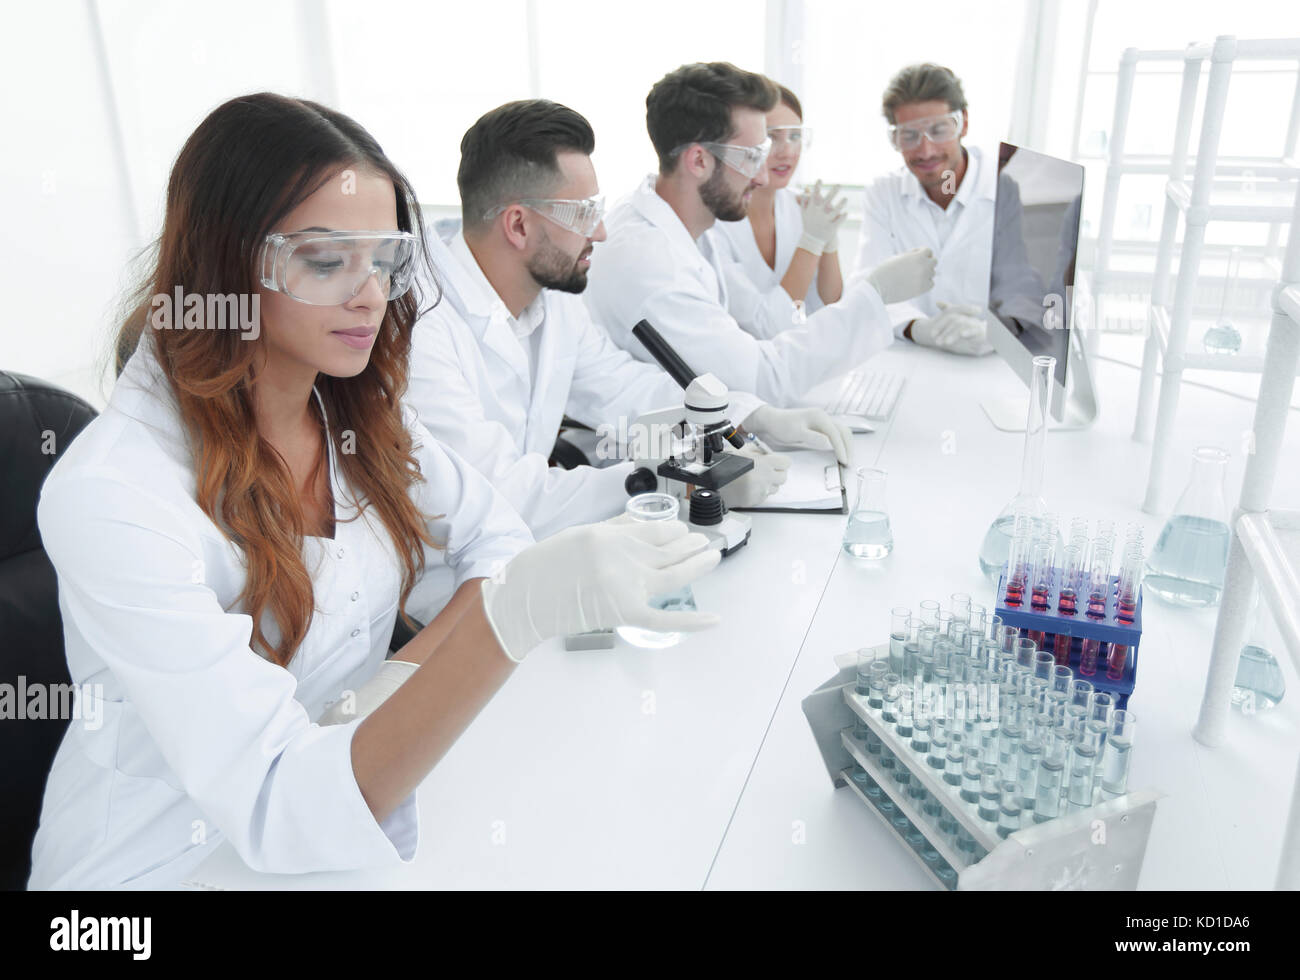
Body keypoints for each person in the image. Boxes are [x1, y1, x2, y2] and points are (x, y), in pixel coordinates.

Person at [29, 94, 719, 889]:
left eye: (384, 260)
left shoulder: (348, 412)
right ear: (224, 262)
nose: (368, 295)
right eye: (326, 261)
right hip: (152, 882)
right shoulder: (116, 494)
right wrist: (500, 626)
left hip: (339, 808)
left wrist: (382, 696)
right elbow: (272, 802)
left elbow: (496, 540)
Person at [407, 99, 855, 540]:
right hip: (445, 582)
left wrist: (747, 414)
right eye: (584, 214)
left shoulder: (553, 298)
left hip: (522, 549)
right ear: (518, 225)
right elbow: (500, 494)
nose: (600, 232)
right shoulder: (422, 328)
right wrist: (679, 480)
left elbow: (623, 387)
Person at [584, 61, 935, 408]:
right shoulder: (651, 261)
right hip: (642, 445)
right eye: (752, 156)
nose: (763, 177)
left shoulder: (681, 227)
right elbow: (761, 378)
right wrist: (874, 294)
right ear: (699, 161)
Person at [851, 62, 997, 357]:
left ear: (963, 123)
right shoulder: (884, 194)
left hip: (996, 368)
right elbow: (866, 288)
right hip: (912, 356)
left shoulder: (1013, 189)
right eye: (909, 135)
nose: (926, 150)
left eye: (939, 130)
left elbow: (1063, 302)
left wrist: (998, 333)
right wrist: (919, 329)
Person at [713, 81, 847, 337]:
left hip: (795, 358)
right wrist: (811, 241)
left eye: (795, 136)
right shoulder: (716, 222)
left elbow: (830, 308)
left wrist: (828, 243)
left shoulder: (802, 208)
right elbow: (765, 326)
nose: (787, 151)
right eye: (772, 137)